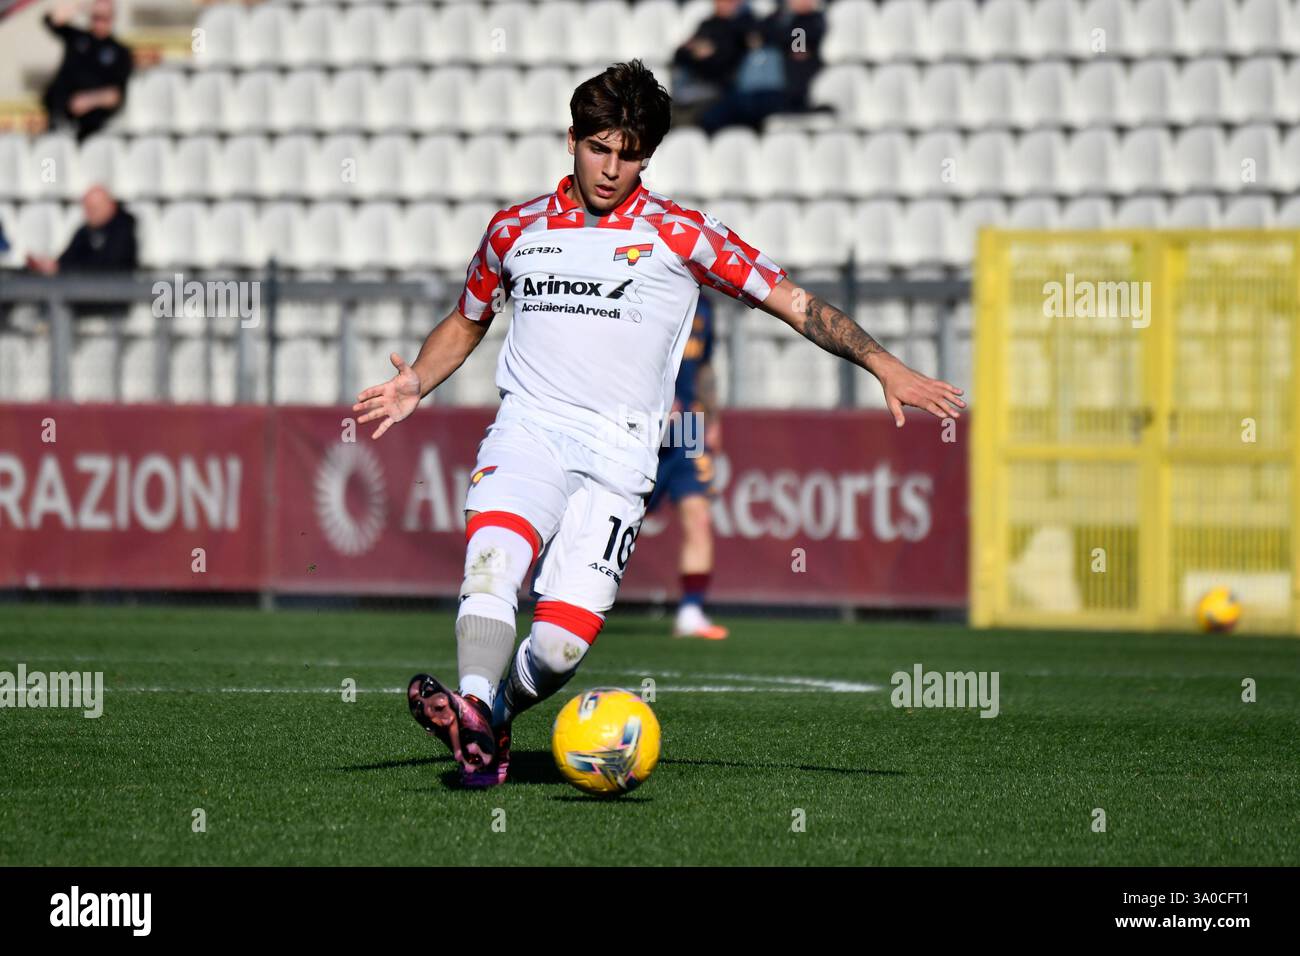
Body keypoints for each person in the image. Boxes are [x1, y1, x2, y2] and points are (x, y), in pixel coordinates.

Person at [352, 60, 964, 789]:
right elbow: (468, 320)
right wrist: (417, 379)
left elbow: (795, 303)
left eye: (631, 153)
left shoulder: (683, 233)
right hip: (530, 430)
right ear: (571, 139)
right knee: (494, 561)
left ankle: (493, 714)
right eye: (599, 148)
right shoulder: (513, 230)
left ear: (648, 155)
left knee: (559, 648)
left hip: (620, 458)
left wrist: (882, 364)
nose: (612, 169)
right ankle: (476, 719)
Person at [644, 294, 729, 640]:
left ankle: (691, 611)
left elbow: (704, 365)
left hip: (689, 425)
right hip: (643, 421)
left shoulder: (705, 305)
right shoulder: (649, 287)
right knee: (619, 516)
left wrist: (713, 418)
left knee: (698, 512)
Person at [699, 0, 828, 134]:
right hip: (749, 93)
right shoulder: (775, 18)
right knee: (711, 118)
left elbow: (797, 45)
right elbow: (751, 31)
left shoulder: (810, 22)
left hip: (783, 94)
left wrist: (771, 35)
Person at [42, 0, 133, 142]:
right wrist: (80, 5)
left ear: (112, 18)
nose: (99, 22)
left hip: (90, 127)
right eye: (95, 16)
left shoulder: (120, 52)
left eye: (104, 17)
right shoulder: (77, 37)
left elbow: (116, 95)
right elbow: (51, 20)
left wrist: (89, 101)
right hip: (59, 116)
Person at [670, 0, 760, 127]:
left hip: (722, 89)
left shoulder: (741, 26)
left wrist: (705, 53)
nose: (732, 4)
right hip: (697, 84)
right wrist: (699, 52)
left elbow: (724, 58)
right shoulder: (706, 24)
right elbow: (680, 53)